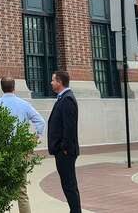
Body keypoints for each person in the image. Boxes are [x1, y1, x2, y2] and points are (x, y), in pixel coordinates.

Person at [0, 77, 46, 213]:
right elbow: (41, 122)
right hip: (21, 150)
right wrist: (33, 140)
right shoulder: (24, 104)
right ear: (14, 88)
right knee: (21, 190)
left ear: (2, 88)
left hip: (1, 151)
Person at [47, 70, 80, 213]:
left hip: (65, 152)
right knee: (67, 184)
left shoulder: (67, 99)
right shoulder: (63, 98)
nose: (51, 82)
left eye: (53, 80)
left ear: (60, 82)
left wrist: (64, 148)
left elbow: (69, 127)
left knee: (69, 185)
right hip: (62, 150)